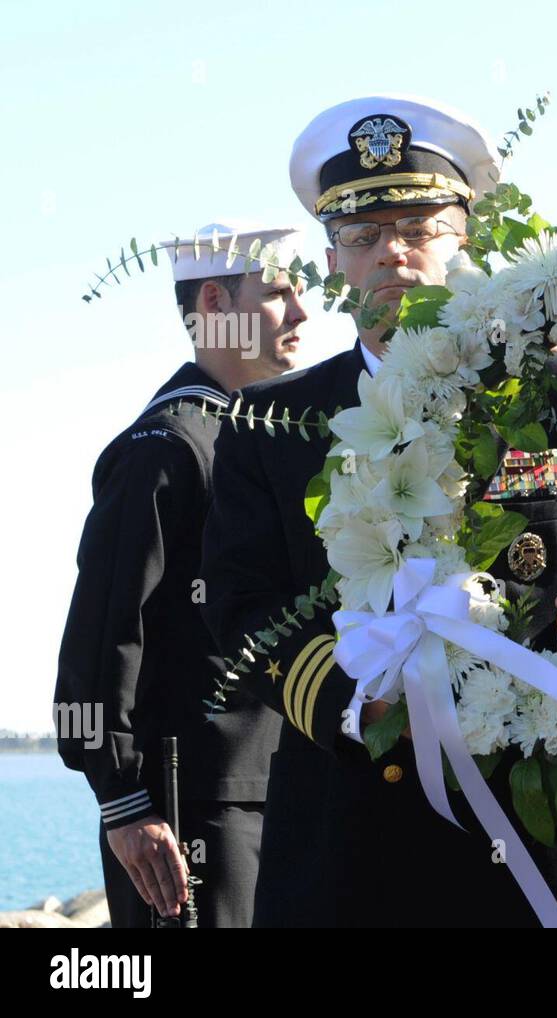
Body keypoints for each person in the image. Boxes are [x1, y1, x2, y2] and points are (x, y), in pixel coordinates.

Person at [200, 95, 557, 927]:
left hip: (540, 834)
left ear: (466, 237)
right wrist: (359, 702)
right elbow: (240, 612)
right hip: (348, 847)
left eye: (419, 227)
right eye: (364, 235)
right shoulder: (272, 429)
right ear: (334, 259)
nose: (393, 252)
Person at [54, 222, 307, 927]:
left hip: (274, 789)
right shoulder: (165, 448)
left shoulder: (253, 436)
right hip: (193, 806)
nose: (301, 313)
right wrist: (124, 801)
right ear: (217, 304)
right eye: (279, 294)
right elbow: (104, 633)